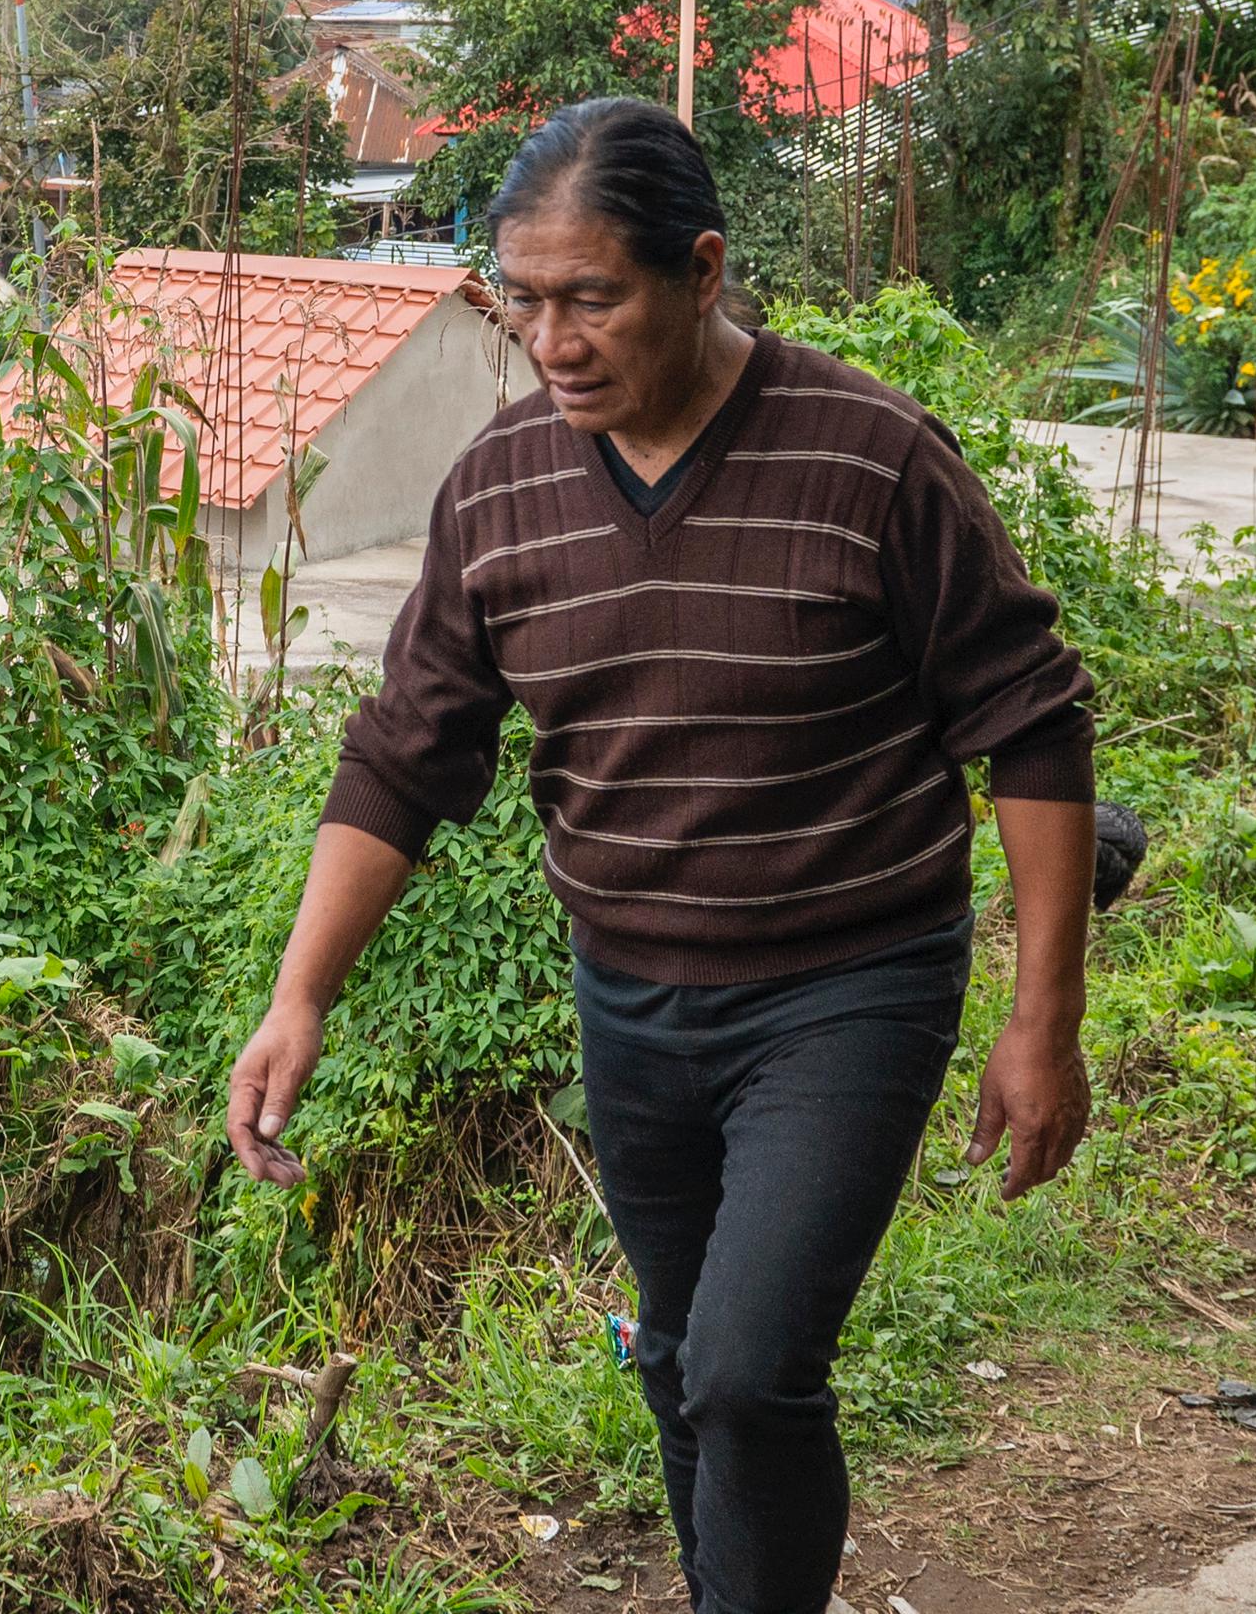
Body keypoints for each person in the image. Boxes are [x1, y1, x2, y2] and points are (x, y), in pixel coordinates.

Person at [223, 97, 1098, 1614]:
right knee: (683, 1357)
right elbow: (408, 752)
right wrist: (299, 998)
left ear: (699, 272)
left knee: (754, 1373)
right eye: (524, 301)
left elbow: (1028, 720)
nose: (553, 341)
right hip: (630, 1001)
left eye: (593, 298)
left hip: (848, 987)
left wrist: (1045, 1014)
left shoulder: (869, 457)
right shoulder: (500, 488)